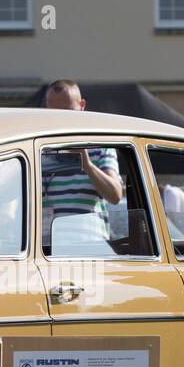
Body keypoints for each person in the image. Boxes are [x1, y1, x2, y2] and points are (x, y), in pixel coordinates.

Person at [41, 79, 124, 249]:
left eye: (68, 113)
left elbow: (115, 195)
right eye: (54, 114)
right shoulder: (39, 150)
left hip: (90, 249)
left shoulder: (100, 147)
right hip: (47, 250)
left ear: (82, 106)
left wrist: (87, 165)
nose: (61, 121)